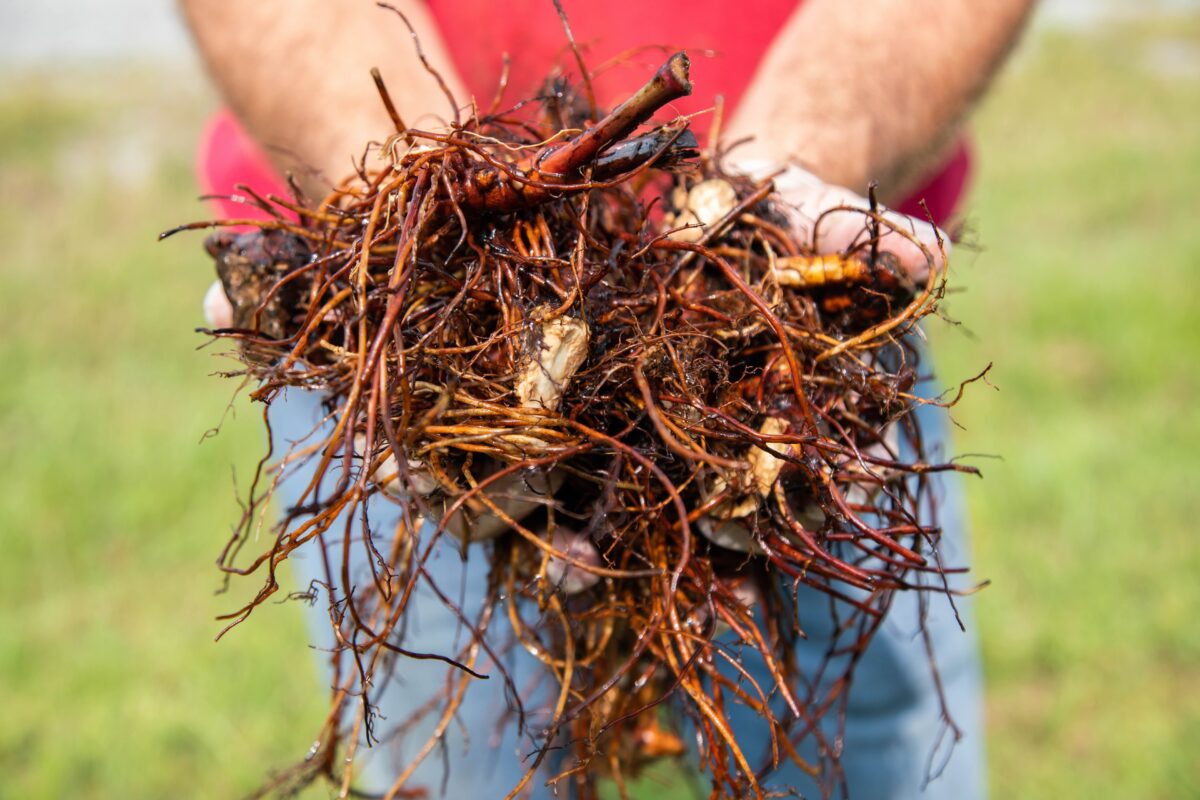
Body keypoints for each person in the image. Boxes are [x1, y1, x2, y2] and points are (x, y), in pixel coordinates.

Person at [181, 1, 1033, 797]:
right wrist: (416, 224)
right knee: (462, 762)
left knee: (857, 760)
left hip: (801, 323)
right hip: (383, 327)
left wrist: (799, 169)